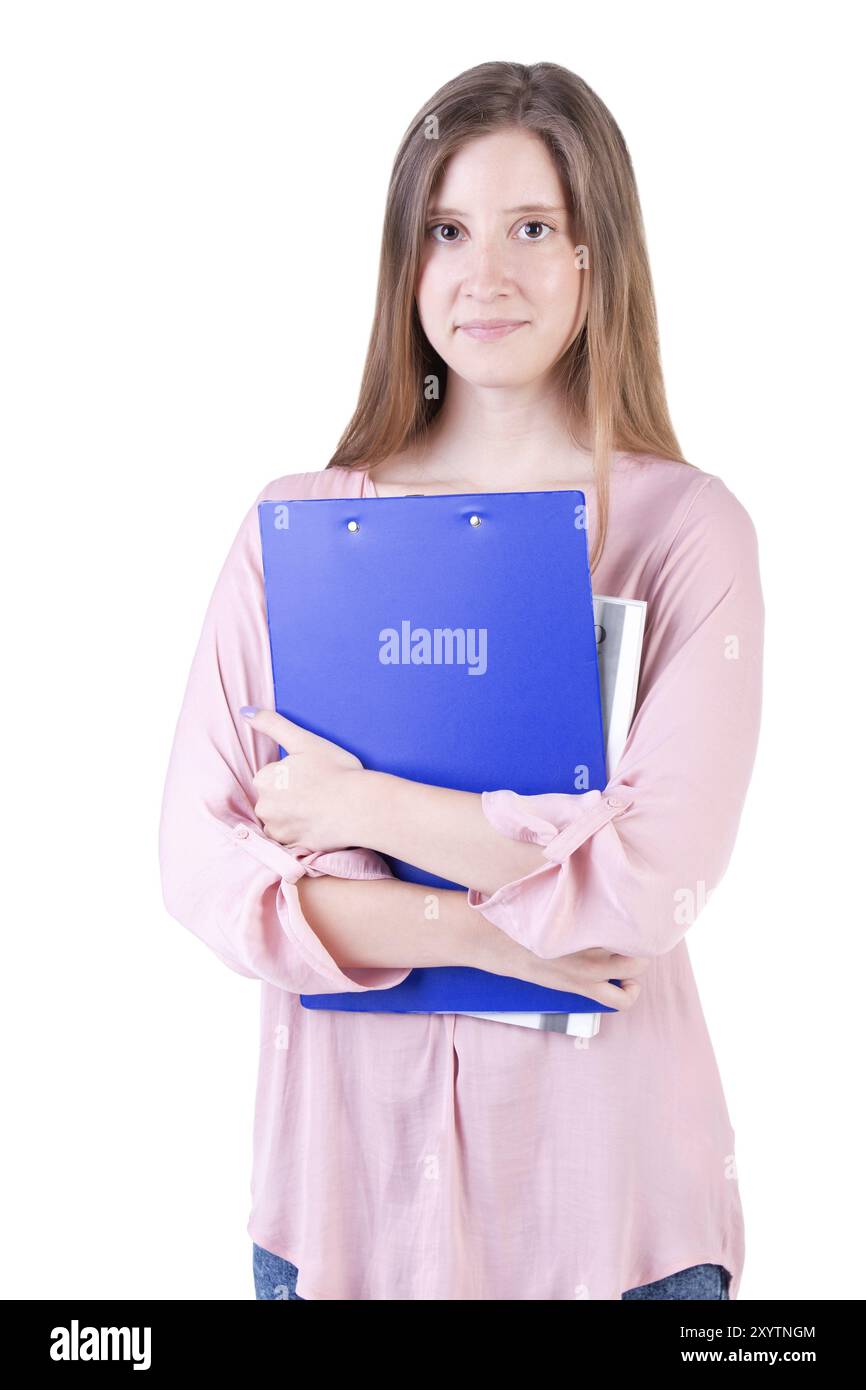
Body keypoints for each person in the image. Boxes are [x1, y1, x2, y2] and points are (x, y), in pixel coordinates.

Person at [158, 60, 762, 1301]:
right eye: (446, 230)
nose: (483, 274)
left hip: (610, 1230)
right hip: (339, 1218)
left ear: (596, 256)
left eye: (531, 228)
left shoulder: (686, 530)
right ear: (406, 262)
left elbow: (646, 885)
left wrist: (355, 811)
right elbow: (204, 867)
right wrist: (509, 932)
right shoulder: (298, 530)